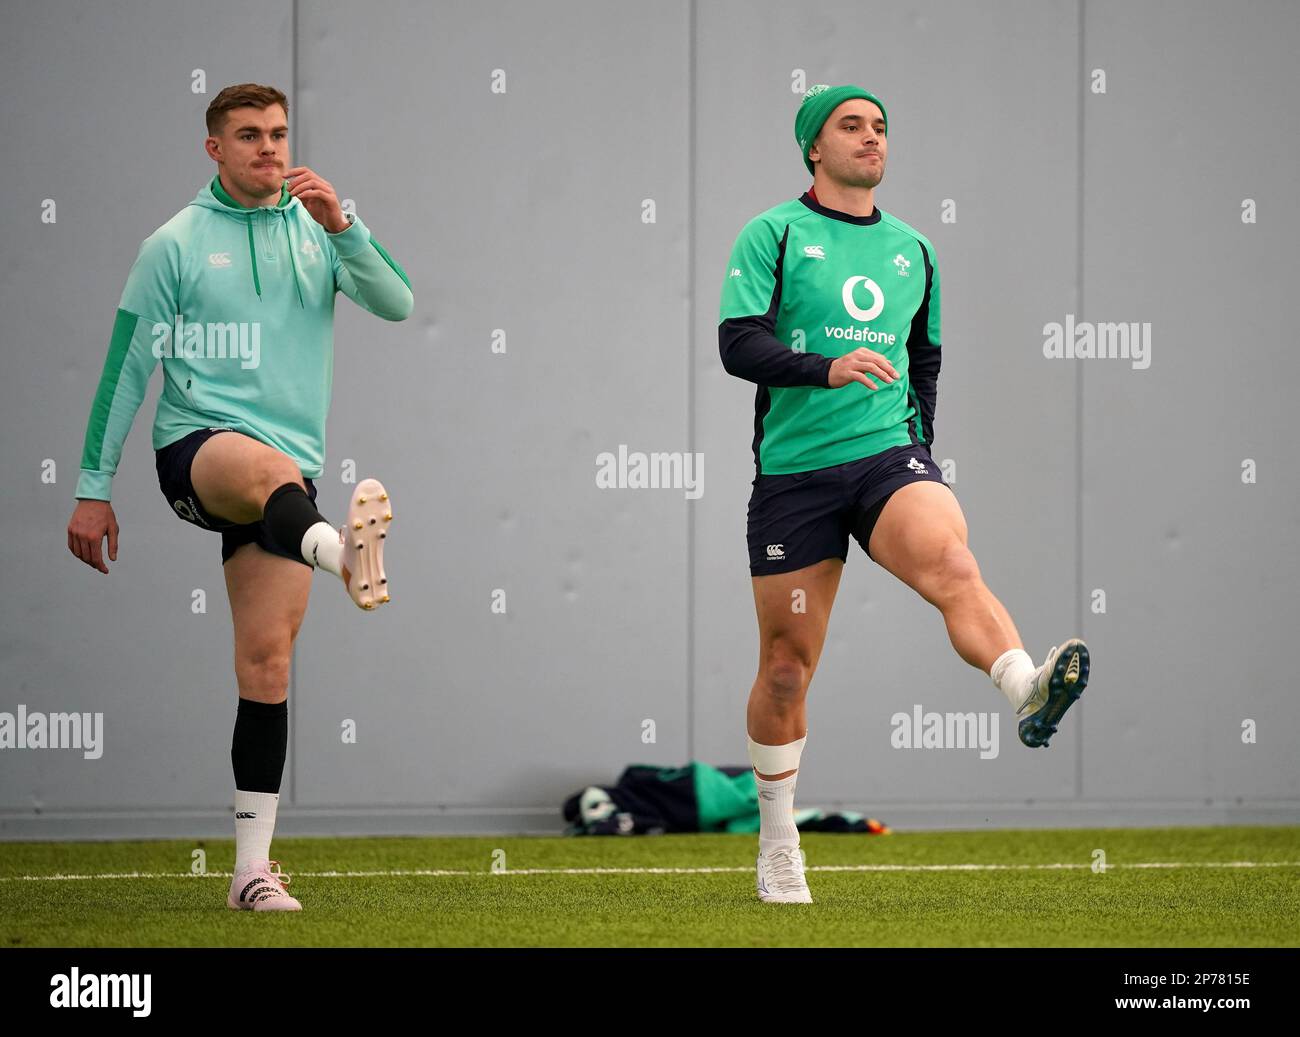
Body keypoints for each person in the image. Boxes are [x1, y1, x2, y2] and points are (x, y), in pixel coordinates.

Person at [718, 84, 1090, 904]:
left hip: (888, 457)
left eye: (880, 126)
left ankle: (1023, 683)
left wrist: (917, 447)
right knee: (785, 669)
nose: (871, 137)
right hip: (794, 475)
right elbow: (737, 343)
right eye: (851, 126)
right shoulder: (773, 233)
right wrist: (824, 367)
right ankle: (779, 843)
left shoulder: (915, 249)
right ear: (815, 146)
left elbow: (926, 360)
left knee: (952, 559)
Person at [66, 83, 413, 911]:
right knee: (267, 472)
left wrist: (344, 225)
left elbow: (397, 302)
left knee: (266, 664)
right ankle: (341, 553)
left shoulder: (319, 230)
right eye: (249, 135)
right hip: (199, 453)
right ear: (214, 148)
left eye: (280, 133)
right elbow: (125, 371)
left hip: (289, 488)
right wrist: (91, 487)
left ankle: (250, 872)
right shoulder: (174, 245)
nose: (270, 148)